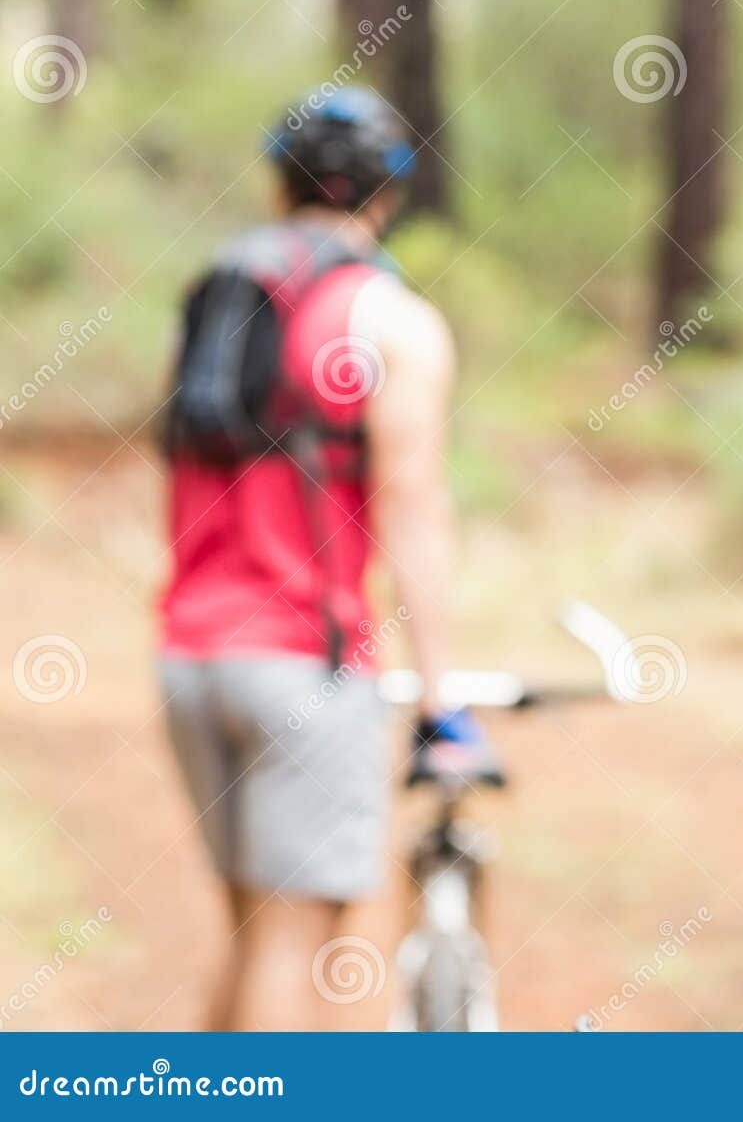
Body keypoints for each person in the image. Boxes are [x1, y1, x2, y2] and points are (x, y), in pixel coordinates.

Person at [158, 87, 495, 1031]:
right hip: (304, 658)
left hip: (190, 654)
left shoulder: (218, 299)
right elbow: (414, 512)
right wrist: (442, 700)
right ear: (386, 197)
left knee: (253, 930)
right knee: (293, 939)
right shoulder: (391, 321)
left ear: (280, 185)